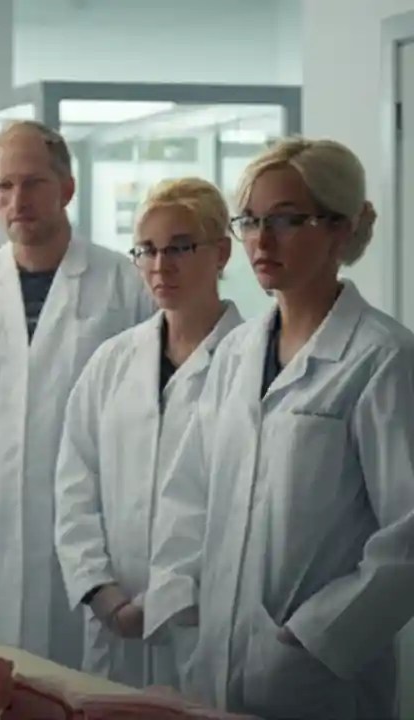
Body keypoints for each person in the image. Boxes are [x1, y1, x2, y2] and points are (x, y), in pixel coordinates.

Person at [145, 138, 414, 719]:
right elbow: (187, 493)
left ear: (341, 230)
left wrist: (316, 637)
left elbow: (408, 536)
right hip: (212, 662)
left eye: (288, 220)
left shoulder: (382, 358)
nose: (261, 241)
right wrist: (184, 608)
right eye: (251, 221)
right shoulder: (236, 352)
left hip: (318, 679)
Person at [0, 120, 155, 669]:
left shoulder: (126, 286)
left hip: (91, 542)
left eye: (32, 183)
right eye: (3, 187)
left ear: (66, 189)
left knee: (80, 693)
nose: (16, 200)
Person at [53, 178, 242, 688]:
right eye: (148, 250)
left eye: (180, 247)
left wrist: (169, 601)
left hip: (201, 621)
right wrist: (102, 592)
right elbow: (76, 484)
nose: (162, 266)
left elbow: (249, 508)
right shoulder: (112, 362)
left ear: (221, 252)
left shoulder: (250, 364)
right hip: (112, 622)